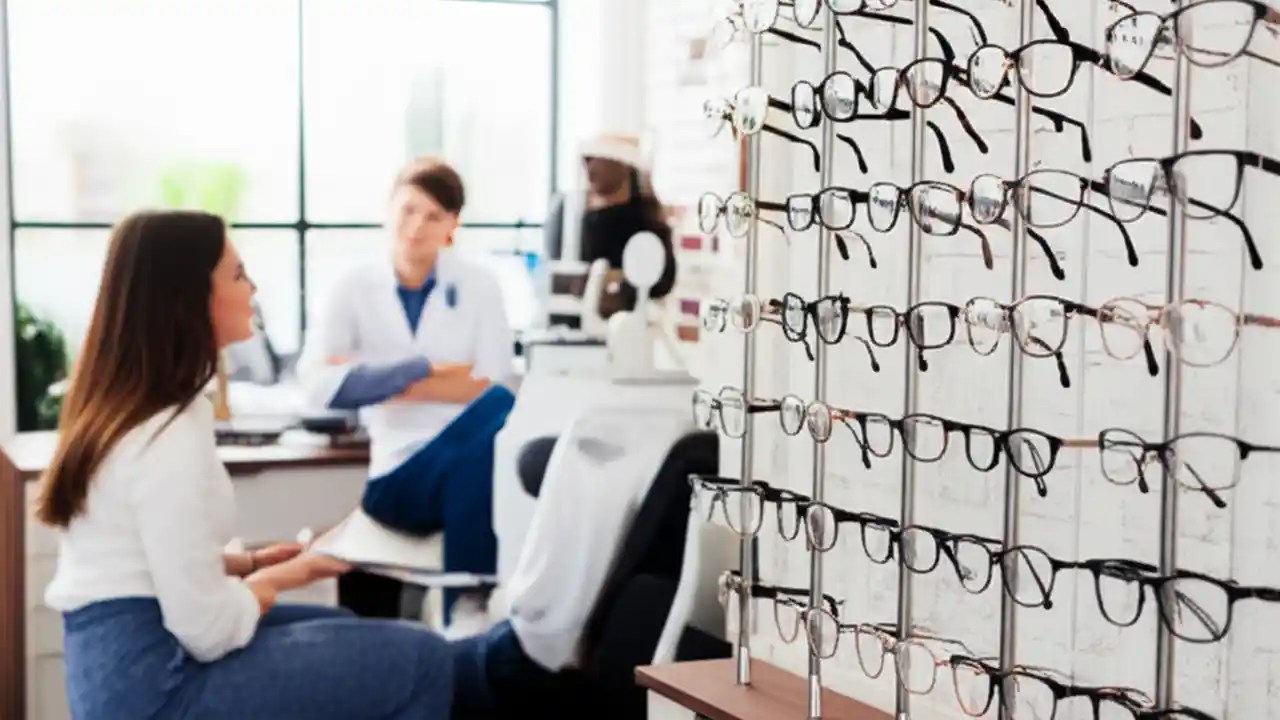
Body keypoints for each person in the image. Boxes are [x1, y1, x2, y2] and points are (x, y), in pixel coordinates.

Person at [38, 210, 453, 719]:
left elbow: (142, 559)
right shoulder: (163, 436)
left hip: (116, 669)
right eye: (237, 275)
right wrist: (289, 576)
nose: (253, 288)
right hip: (156, 689)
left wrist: (248, 566)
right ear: (186, 301)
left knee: (343, 622)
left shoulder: (135, 413)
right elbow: (207, 631)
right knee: (425, 660)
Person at [297, 157, 515, 630]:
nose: (417, 226)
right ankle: (469, 597)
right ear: (388, 209)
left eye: (434, 216)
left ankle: (465, 603)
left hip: (469, 465)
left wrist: (377, 383)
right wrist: (422, 371)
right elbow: (317, 383)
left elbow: (495, 383)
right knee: (493, 420)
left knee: (498, 412)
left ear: (453, 225)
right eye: (409, 210)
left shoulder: (479, 286)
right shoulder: (351, 286)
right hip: (400, 478)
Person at [543, 133, 677, 325]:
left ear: (623, 166)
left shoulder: (644, 218)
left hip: (622, 328)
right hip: (566, 326)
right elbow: (555, 269)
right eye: (587, 160)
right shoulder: (567, 211)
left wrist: (620, 288)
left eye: (598, 160)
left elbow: (662, 279)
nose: (590, 167)